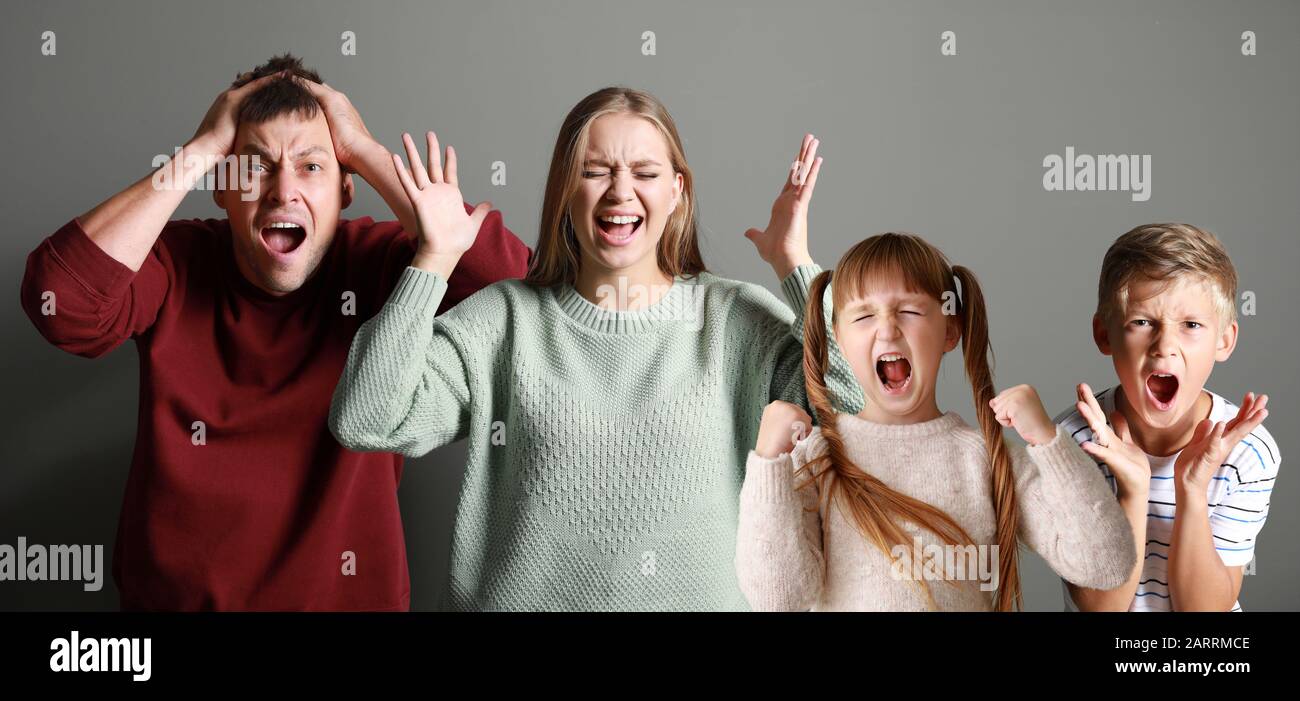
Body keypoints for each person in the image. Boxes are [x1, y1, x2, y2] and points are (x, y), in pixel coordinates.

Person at [18, 54, 530, 610]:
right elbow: (59, 305)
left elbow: (517, 304)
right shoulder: (175, 262)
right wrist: (199, 151)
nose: (283, 191)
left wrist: (361, 147)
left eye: (311, 167)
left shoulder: (380, 264)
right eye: (256, 166)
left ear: (346, 190)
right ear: (221, 186)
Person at [329, 87, 845, 610]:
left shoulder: (737, 323)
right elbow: (368, 418)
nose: (621, 192)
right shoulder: (503, 322)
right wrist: (434, 257)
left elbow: (860, 416)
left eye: (644, 174)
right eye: (595, 171)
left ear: (676, 191)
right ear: (564, 191)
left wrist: (795, 265)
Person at [736, 233, 1135, 610]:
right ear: (838, 337)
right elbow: (779, 599)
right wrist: (768, 465)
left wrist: (1049, 442)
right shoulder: (817, 458)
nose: (887, 329)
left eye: (909, 311)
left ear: (950, 331)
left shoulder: (986, 460)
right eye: (863, 317)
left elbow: (1104, 565)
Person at [1055, 223, 1277, 611]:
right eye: (1142, 322)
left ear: (1224, 341)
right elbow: (1100, 607)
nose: (1165, 348)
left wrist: (1192, 490)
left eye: (1191, 325)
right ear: (1104, 334)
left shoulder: (1247, 454)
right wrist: (1134, 491)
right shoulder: (1074, 443)